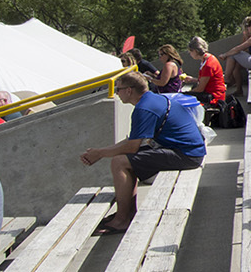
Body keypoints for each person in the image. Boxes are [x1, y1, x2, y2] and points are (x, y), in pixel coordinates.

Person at [80, 70, 206, 234]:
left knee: (119, 162)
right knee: (125, 160)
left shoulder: (143, 109)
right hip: (188, 151)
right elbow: (134, 141)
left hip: (187, 156)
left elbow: (132, 146)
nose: (116, 93)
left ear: (129, 90)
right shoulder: (152, 99)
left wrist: (100, 153)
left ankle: (123, 220)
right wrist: (100, 152)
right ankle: (126, 213)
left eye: (118, 89)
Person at [221, 16, 251, 94]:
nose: (248, 29)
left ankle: (226, 78)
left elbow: (239, 48)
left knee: (233, 54)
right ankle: (239, 89)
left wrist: (225, 55)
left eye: (248, 26)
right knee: (236, 66)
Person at [182, 36, 225, 111]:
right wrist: (193, 79)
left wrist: (187, 92)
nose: (190, 54)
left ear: (195, 51)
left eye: (190, 51)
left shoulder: (208, 65)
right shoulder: (207, 58)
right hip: (213, 93)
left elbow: (200, 89)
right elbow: (207, 80)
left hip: (214, 96)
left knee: (183, 97)